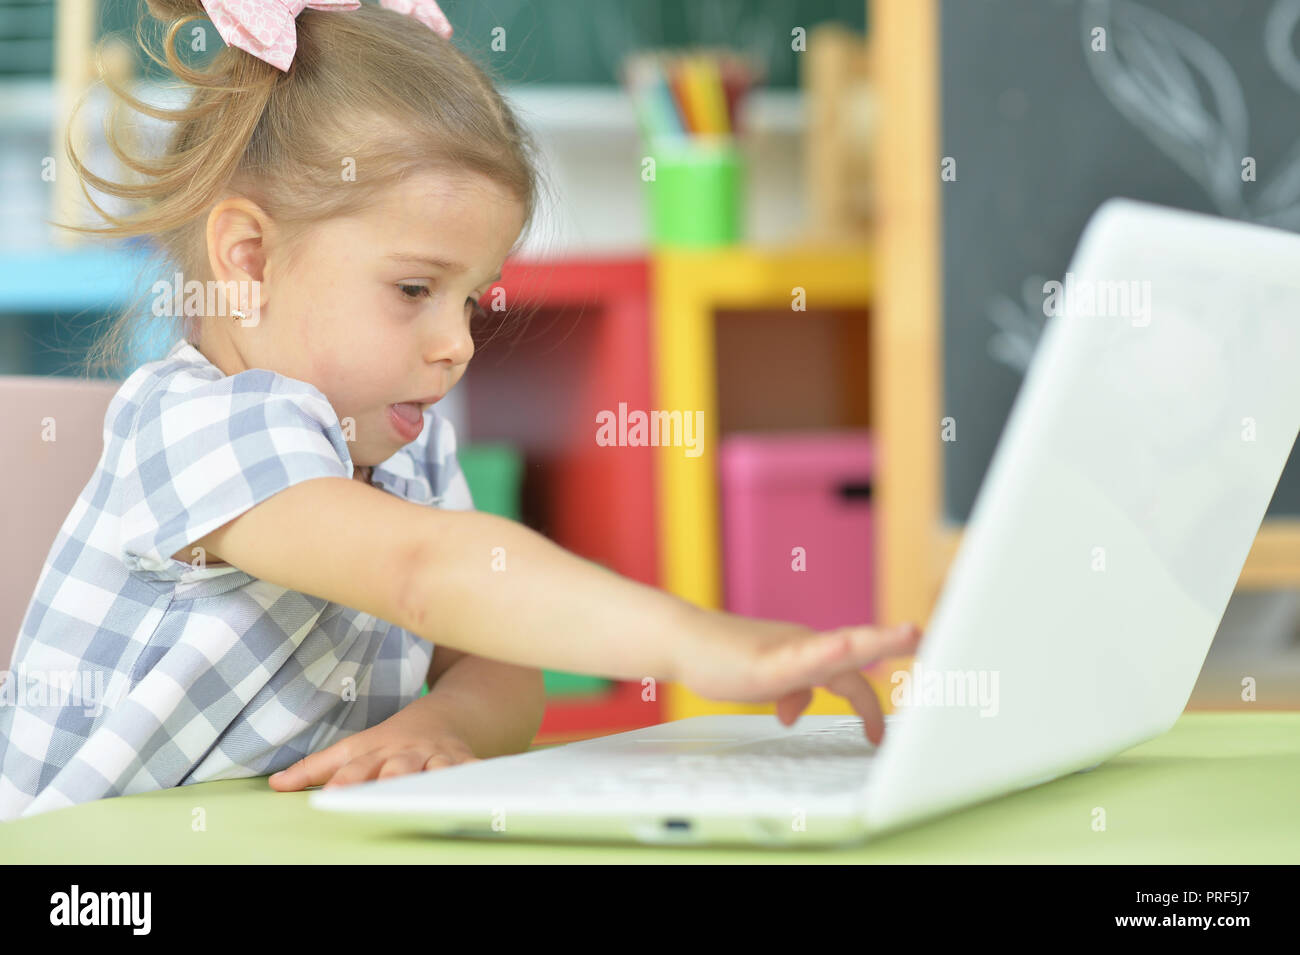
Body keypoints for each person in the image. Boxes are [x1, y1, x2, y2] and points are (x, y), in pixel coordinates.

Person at [0, 0, 921, 821]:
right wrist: (694, 639)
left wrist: (445, 724)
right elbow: (426, 573)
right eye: (413, 289)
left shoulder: (407, 452)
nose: (458, 342)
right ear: (248, 259)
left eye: (473, 299)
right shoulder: (203, 423)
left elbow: (499, 661)